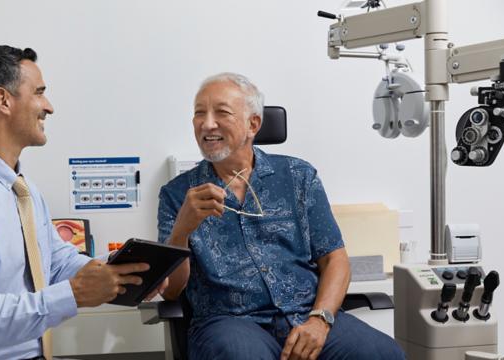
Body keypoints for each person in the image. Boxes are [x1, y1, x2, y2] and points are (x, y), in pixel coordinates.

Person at [0, 45, 157, 360]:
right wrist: (74, 294)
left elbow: (55, 263)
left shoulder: (21, 189)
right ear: (3, 100)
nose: (49, 106)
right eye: (39, 93)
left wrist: (119, 273)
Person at [157, 72, 405, 360]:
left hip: (305, 314)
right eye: (199, 114)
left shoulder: (298, 177)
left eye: (221, 112)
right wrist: (181, 232)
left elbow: (335, 259)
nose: (207, 123)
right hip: (230, 323)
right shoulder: (177, 195)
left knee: (383, 353)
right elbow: (171, 292)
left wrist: (320, 320)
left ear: (254, 124)